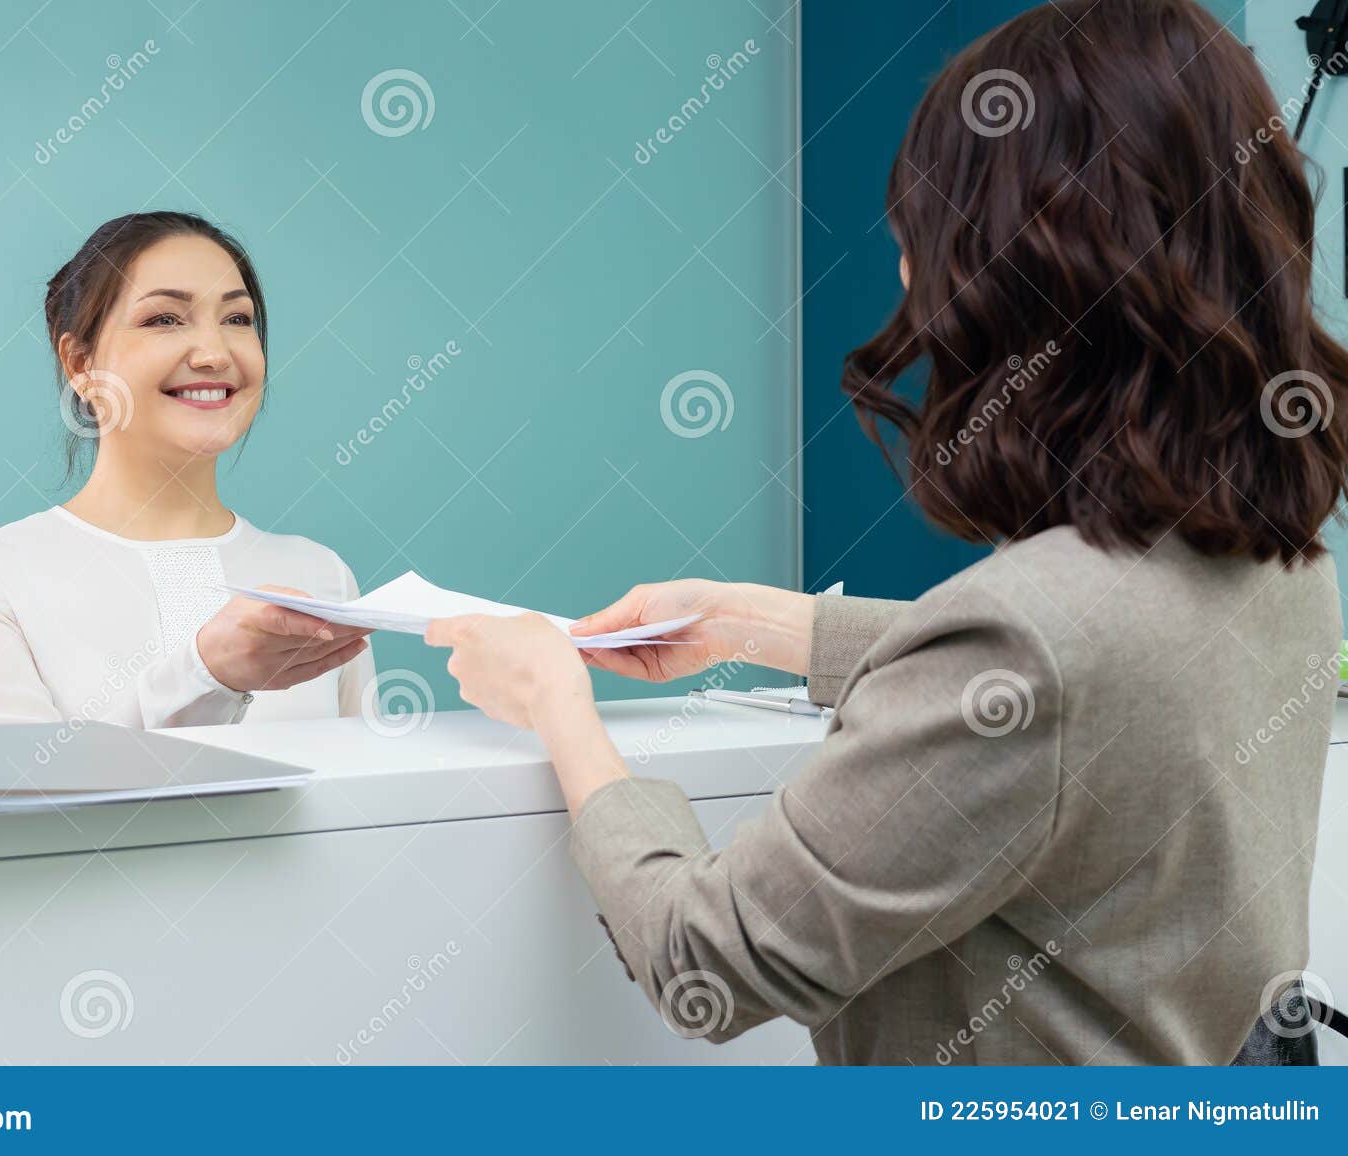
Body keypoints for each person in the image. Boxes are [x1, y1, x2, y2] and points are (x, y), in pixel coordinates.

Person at [425, 0, 1348, 1063]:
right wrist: (757, 623)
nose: (911, 274)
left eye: (927, 233)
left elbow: (705, 964)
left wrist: (558, 709)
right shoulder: (1283, 567)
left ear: (1016, 271)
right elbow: (1101, 683)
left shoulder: (1031, 634)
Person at [0, 212, 374, 728]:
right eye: (164, 319)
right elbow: (20, 799)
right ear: (79, 364)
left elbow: (368, 800)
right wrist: (207, 675)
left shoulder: (321, 577)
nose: (214, 354)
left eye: (237, 319)